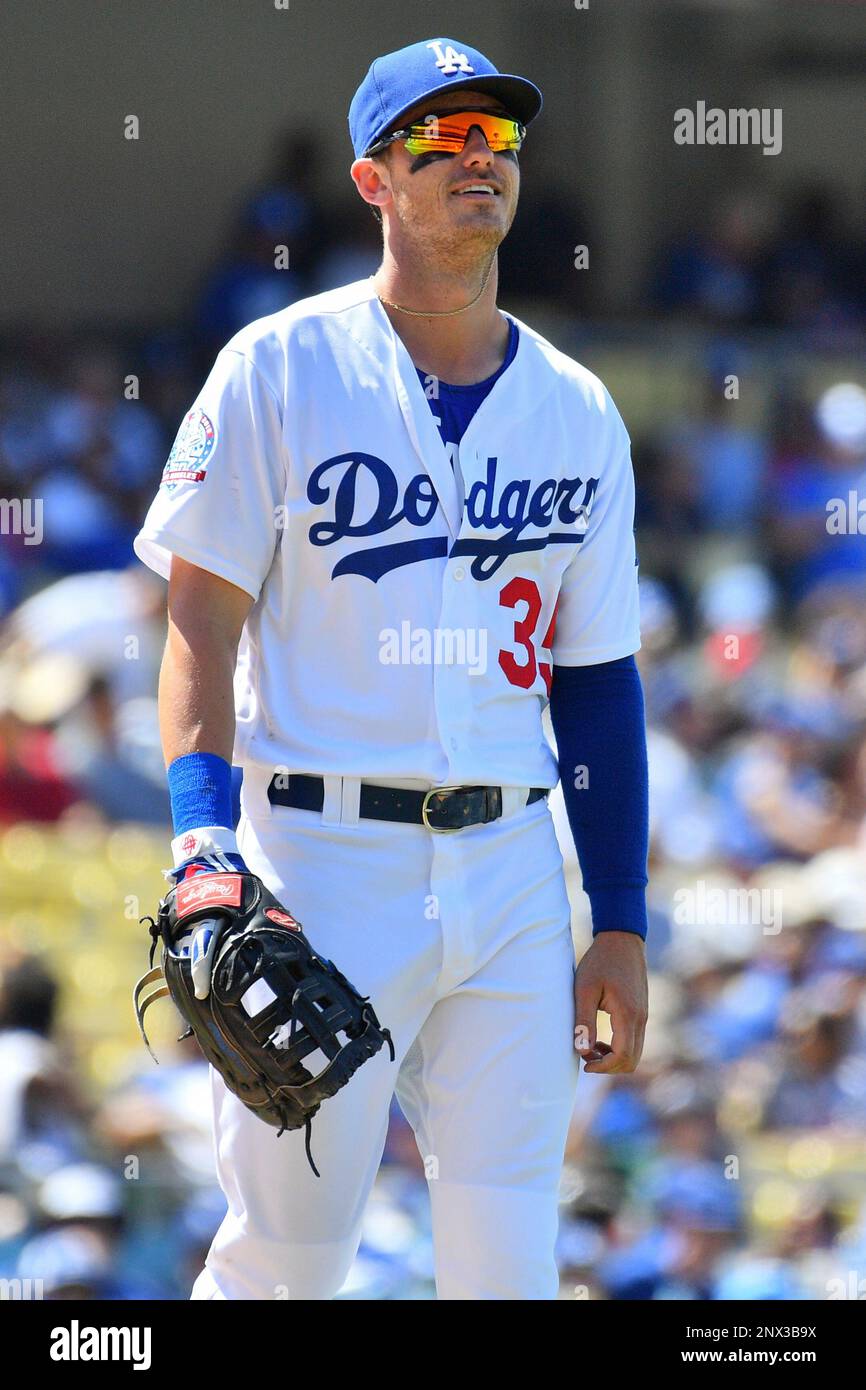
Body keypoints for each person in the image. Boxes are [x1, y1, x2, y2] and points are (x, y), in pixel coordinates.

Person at [134, 36, 649, 1301]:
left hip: (513, 866)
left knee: (508, 1264)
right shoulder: (279, 367)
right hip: (321, 860)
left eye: (497, 136)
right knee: (287, 1262)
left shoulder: (578, 407)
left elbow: (596, 682)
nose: (477, 158)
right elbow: (199, 620)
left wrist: (621, 913)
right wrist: (205, 848)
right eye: (441, 136)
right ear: (373, 180)